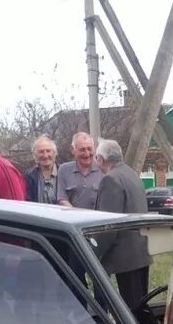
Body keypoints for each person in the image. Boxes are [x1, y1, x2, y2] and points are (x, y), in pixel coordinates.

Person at [93, 139, 151, 310]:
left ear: (101, 159)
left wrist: (94, 251)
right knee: (139, 308)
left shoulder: (110, 179)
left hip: (124, 256)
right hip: (140, 251)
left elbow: (109, 226)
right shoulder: (131, 174)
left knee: (131, 312)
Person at [55, 132, 102, 209]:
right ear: (73, 150)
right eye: (82, 150)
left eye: (89, 149)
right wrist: (77, 215)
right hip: (72, 218)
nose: (87, 154)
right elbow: (62, 199)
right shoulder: (64, 170)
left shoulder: (103, 169)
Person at [24, 135, 58, 203]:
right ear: (35, 155)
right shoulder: (29, 176)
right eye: (41, 152)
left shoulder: (64, 172)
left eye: (48, 151)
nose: (45, 156)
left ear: (55, 153)